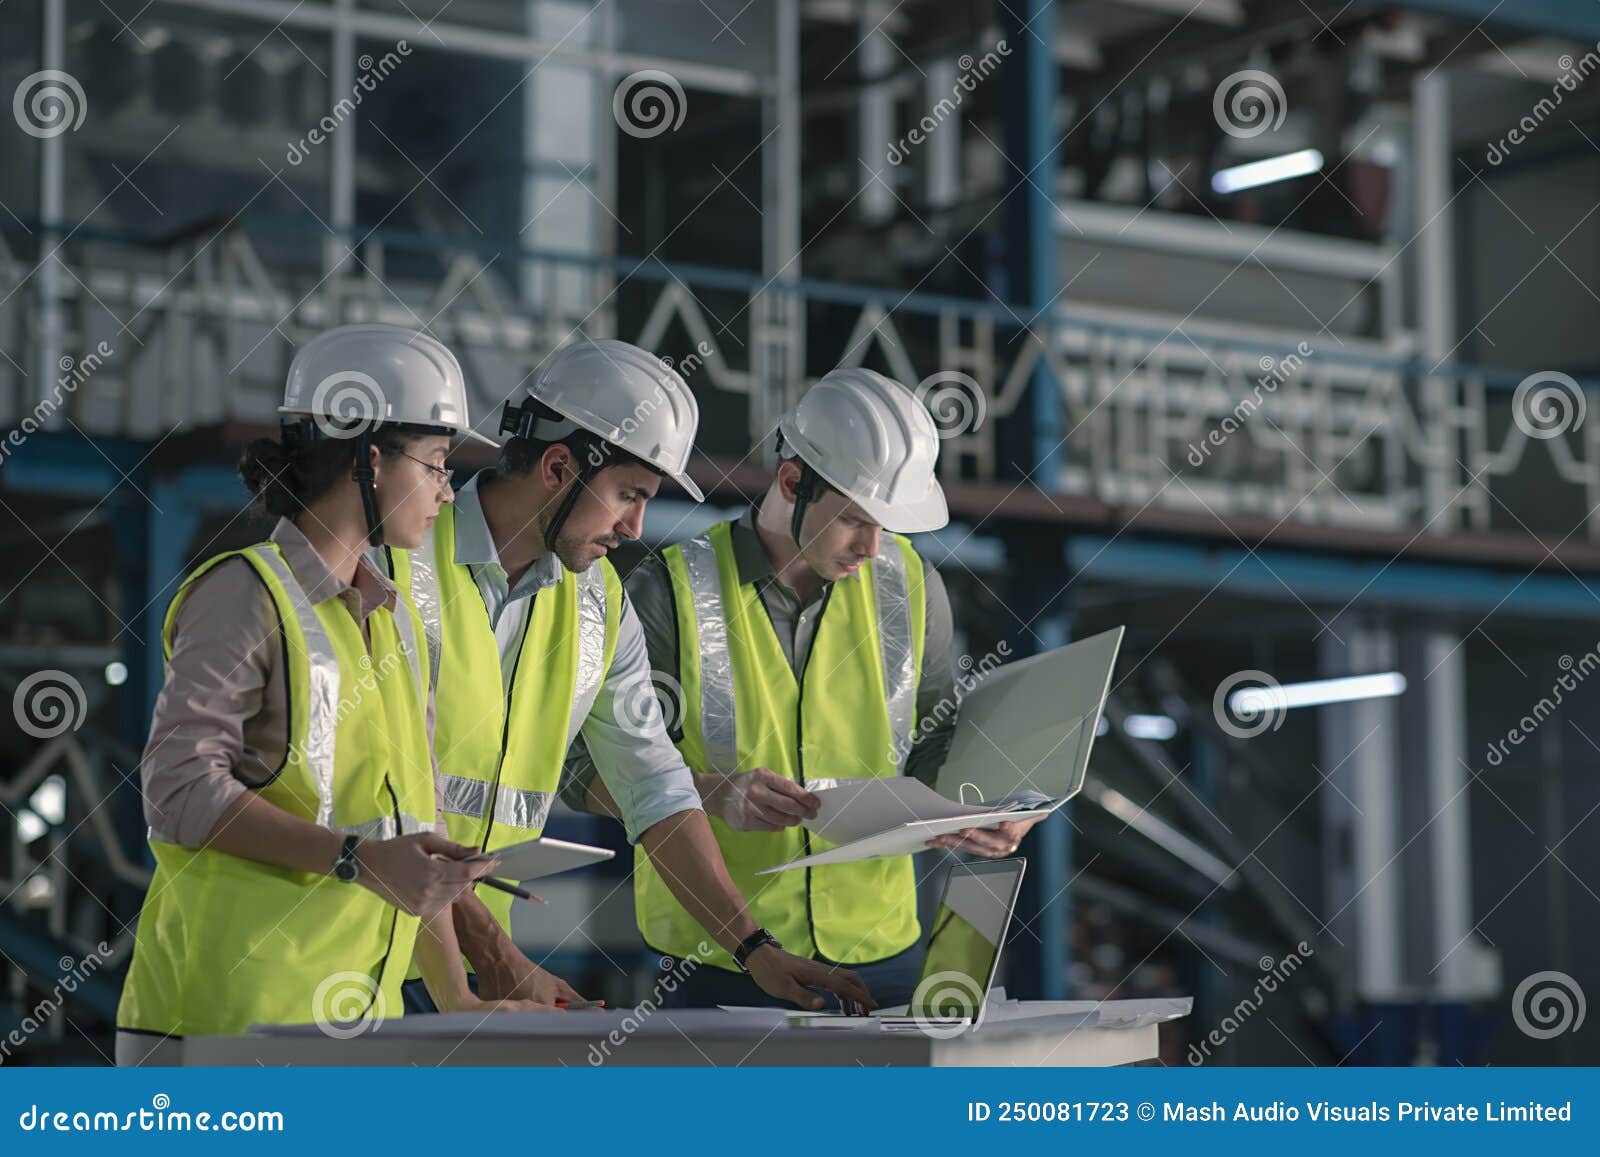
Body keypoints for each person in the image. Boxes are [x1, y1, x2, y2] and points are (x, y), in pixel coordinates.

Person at [383, 338, 874, 1012]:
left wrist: (753, 949)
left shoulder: (599, 602)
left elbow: (654, 786)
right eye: (629, 495)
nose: (635, 526)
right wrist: (495, 957)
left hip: (456, 967)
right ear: (558, 466)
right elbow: (384, 796)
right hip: (363, 944)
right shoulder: (398, 560)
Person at [116, 325, 542, 1065]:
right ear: (368, 456)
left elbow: (414, 817)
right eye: (437, 464)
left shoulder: (396, 620)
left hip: (354, 1033)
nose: (448, 488)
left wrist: (457, 996)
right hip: (222, 1031)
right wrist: (361, 859)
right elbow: (178, 789)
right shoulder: (243, 593)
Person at [564, 367, 1042, 1008]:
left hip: (884, 952)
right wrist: (706, 793)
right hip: (722, 960)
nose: (872, 547)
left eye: (885, 524)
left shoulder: (911, 588)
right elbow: (576, 767)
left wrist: (981, 808)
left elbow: (934, 742)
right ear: (791, 482)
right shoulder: (665, 591)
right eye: (853, 520)